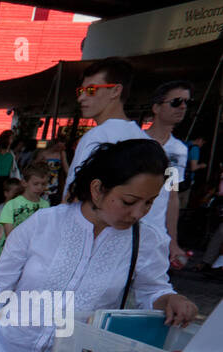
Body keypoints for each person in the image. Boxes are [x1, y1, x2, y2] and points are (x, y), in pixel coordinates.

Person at [0, 139, 197, 352]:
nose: (138, 213)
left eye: (149, 202)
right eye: (129, 201)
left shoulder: (146, 240)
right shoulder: (43, 223)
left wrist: (170, 300)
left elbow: (152, 291)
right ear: (97, 189)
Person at [63, 58, 182, 267]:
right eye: (80, 91)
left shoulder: (99, 136)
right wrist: (172, 241)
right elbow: (170, 196)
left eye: (91, 90)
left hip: (108, 255)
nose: (82, 97)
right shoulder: (150, 144)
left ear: (115, 91)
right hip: (146, 254)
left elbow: (74, 199)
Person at [145, 80, 191, 266]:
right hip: (121, 227)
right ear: (156, 107)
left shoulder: (178, 150)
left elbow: (172, 195)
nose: (182, 107)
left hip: (154, 234)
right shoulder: (133, 140)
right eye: (176, 102)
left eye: (187, 103)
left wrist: (173, 241)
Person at [0, 164, 51, 260]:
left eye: (43, 184)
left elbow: (44, 231)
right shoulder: (12, 204)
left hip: (32, 254)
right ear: (24, 183)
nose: (40, 187)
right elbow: (9, 233)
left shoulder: (46, 205)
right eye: (36, 184)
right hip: (10, 253)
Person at [34, 139, 68, 207]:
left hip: (54, 179)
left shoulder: (61, 153)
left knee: (50, 196)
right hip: (43, 176)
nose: (59, 149)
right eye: (58, 147)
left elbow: (65, 166)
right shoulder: (43, 153)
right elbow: (34, 164)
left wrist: (70, 175)